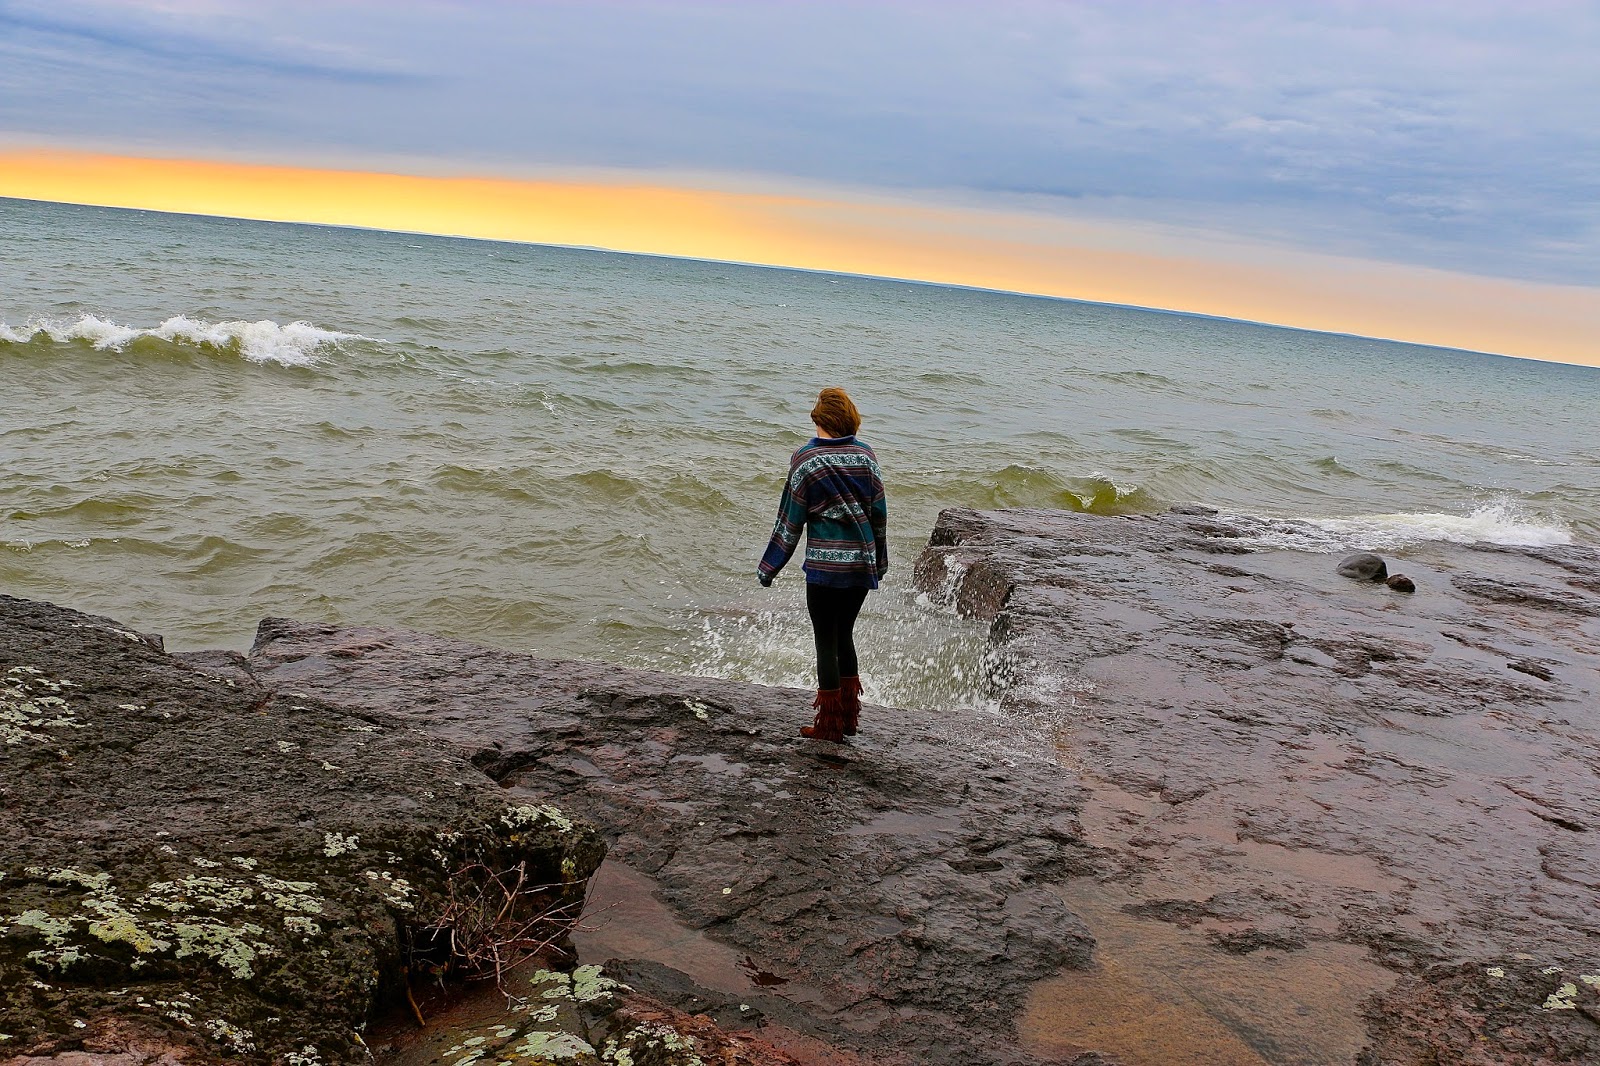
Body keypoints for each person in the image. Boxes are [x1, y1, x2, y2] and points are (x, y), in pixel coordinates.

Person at [757, 387, 888, 743]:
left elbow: (790, 521)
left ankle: (828, 727)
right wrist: (880, 561)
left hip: (823, 569)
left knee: (825, 641)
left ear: (820, 420)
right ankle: (849, 719)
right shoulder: (866, 455)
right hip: (860, 567)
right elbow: (879, 515)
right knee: (845, 634)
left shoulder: (805, 459)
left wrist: (770, 566)